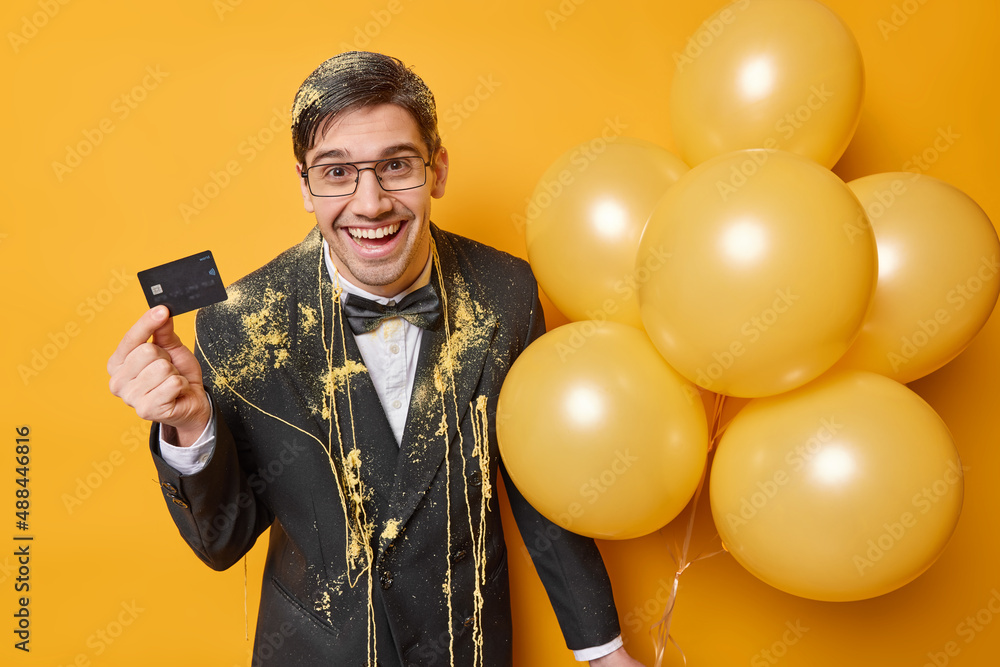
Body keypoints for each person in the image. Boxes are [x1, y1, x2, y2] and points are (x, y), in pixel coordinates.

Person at [108, 51, 643, 667]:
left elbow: (542, 485)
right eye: (336, 173)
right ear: (304, 186)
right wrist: (190, 427)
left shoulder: (507, 292)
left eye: (395, 165)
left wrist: (603, 650)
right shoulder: (239, 322)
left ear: (437, 170)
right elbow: (223, 541)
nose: (370, 203)